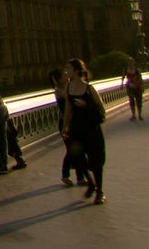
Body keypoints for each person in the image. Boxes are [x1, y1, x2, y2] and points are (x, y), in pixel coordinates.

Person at [63, 57, 107, 205]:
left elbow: (101, 108)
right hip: (77, 128)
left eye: (68, 69)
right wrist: (65, 127)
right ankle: (91, 183)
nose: (66, 71)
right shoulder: (68, 88)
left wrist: (86, 105)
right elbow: (68, 109)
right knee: (78, 159)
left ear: (76, 71)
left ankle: (99, 192)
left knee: (95, 161)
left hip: (91, 128)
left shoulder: (89, 88)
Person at [49, 68, 80, 186]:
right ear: (59, 79)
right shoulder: (59, 91)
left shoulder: (69, 87)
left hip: (74, 122)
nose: (67, 75)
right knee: (71, 149)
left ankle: (80, 176)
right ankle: (65, 174)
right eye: (64, 74)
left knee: (78, 149)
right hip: (66, 123)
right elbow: (69, 97)